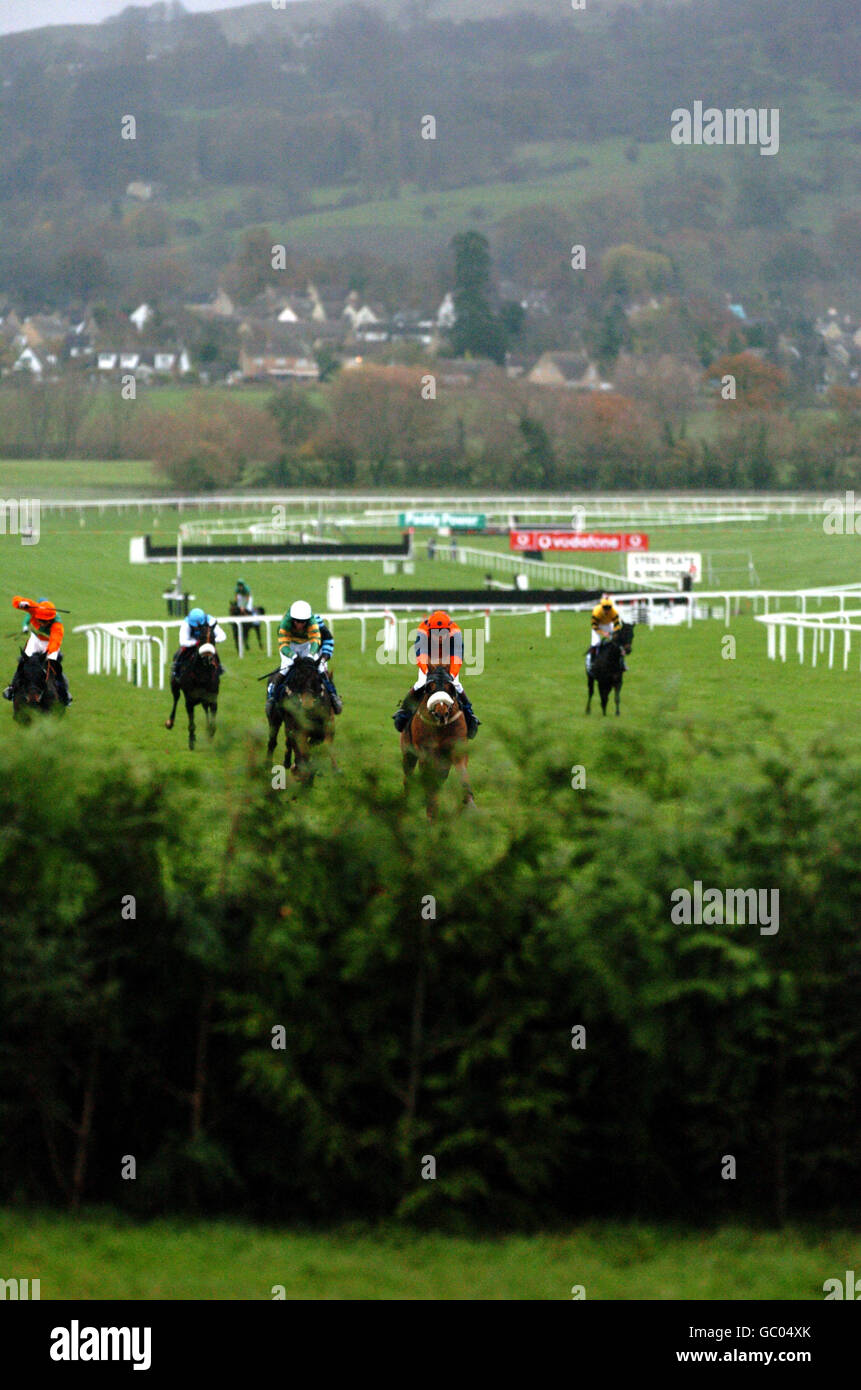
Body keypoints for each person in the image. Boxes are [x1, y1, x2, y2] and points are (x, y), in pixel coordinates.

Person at [392, 608, 479, 738]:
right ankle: (404, 712)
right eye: (435, 632)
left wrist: (451, 675)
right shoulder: (422, 630)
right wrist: (427, 672)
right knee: (420, 683)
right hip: (429, 660)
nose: (439, 636)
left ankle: (469, 713)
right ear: (429, 629)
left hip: (448, 660)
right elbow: (421, 655)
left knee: (456, 684)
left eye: (443, 633)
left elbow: (457, 657)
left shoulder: (456, 632)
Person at [268, 599, 342, 714]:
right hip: (289, 645)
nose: (300, 624)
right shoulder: (285, 624)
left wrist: (311, 656)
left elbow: (316, 640)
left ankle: (333, 696)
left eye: (303, 622)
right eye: (297, 621)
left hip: (306, 644)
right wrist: (293, 656)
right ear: (292, 619)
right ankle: (272, 697)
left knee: (321, 667)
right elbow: (283, 645)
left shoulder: (313, 623)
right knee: (286, 667)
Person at [3, 595, 73, 705]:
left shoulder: (57, 626)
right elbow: (16, 601)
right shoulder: (35, 609)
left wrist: (47, 654)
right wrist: (21, 603)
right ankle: (12, 689)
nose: (41, 623)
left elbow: (55, 641)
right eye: (40, 620)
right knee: (23, 662)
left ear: (51, 620)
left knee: (53, 666)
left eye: (45, 621)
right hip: (35, 640)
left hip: (49, 643)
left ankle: (64, 693)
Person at [171, 607, 226, 682]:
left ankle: (219, 667)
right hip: (192, 641)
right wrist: (196, 643)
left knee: (213, 650)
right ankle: (176, 668)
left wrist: (212, 641)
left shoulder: (211, 621)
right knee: (181, 651)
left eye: (197, 626)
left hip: (206, 641)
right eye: (194, 626)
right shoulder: (186, 623)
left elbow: (222, 636)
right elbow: (183, 641)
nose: (195, 627)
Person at [586, 593, 626, 673]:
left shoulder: (614, 612)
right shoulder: (596, 611)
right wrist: (603, 633)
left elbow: (617, 625)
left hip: (608, 625)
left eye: (609, 607)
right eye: (605, 607)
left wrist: (614, 633)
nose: (607, 610)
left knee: (618, 643)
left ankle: (622, 663)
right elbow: (594, 626)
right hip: (598, 627)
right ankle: (591, 663)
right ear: (601, 606)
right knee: (595, 644)